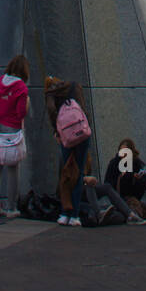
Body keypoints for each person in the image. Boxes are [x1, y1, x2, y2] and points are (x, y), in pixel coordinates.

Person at [46, 75, 91, 227]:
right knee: (78, 174)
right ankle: (75, 216)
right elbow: (83, 110)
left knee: (66, 173)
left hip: (66, 137)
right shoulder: (75, 87)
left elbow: (52, 112)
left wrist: (57, 133)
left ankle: (65, 212)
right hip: (82, 135)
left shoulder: (51, 94)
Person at [0, 54, 30, 219]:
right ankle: (11, 208)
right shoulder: (21, 88)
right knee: (13, 168)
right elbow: (21, 112)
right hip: (13, 130)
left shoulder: (0, 82)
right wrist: (26, 103)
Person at [104, 139, 146, 206]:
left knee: (143, 182)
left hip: (132, 189)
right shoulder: (115, 162)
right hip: (118, 189)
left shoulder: (135, 162)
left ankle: (135, 202)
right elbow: (108, 180)